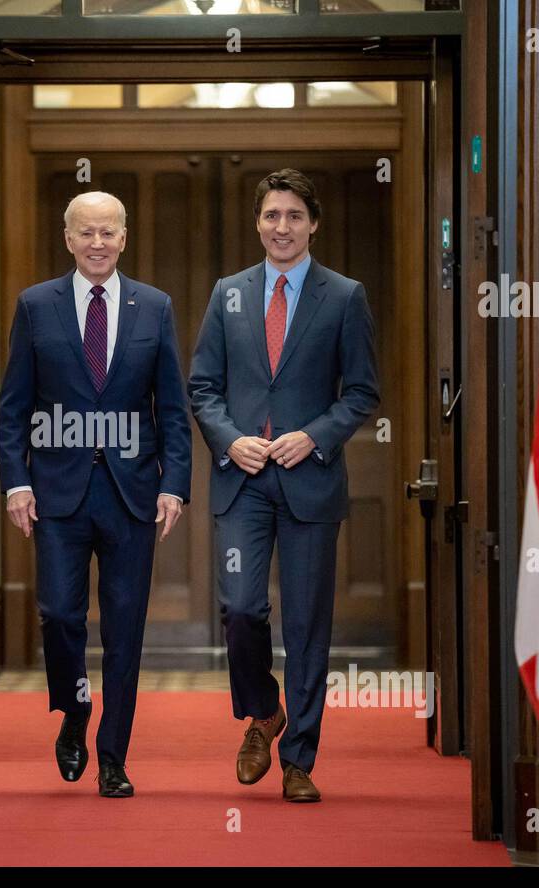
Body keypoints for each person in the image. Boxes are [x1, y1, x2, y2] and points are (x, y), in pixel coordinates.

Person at [187, 169, 379, 802]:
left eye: (294, 216)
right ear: (258, 223)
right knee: (241, 608)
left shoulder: (345, 296)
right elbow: (203, 388)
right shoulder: (228, 294)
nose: (282, 227)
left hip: (309, 482)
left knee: (305, 625)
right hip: (243, 482)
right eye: (272, 215)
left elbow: (360, 393)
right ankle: (264, 711)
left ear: (313, 224)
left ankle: (299, 758)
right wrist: (227, 438)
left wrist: (316, 435)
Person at [0, 191, 192, 797]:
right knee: (58, 614)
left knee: (126, 628)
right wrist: (17, 480)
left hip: (132, 495)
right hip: (57, 493)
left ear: (124, 238)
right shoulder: (36, 306)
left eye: (109, 233)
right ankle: (75, 708)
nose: (98, 243)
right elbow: (14, 409)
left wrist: (174, 485)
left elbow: (174, 411)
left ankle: (114, 756)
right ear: (68, 238)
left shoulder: (154, 307)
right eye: (87, 233)